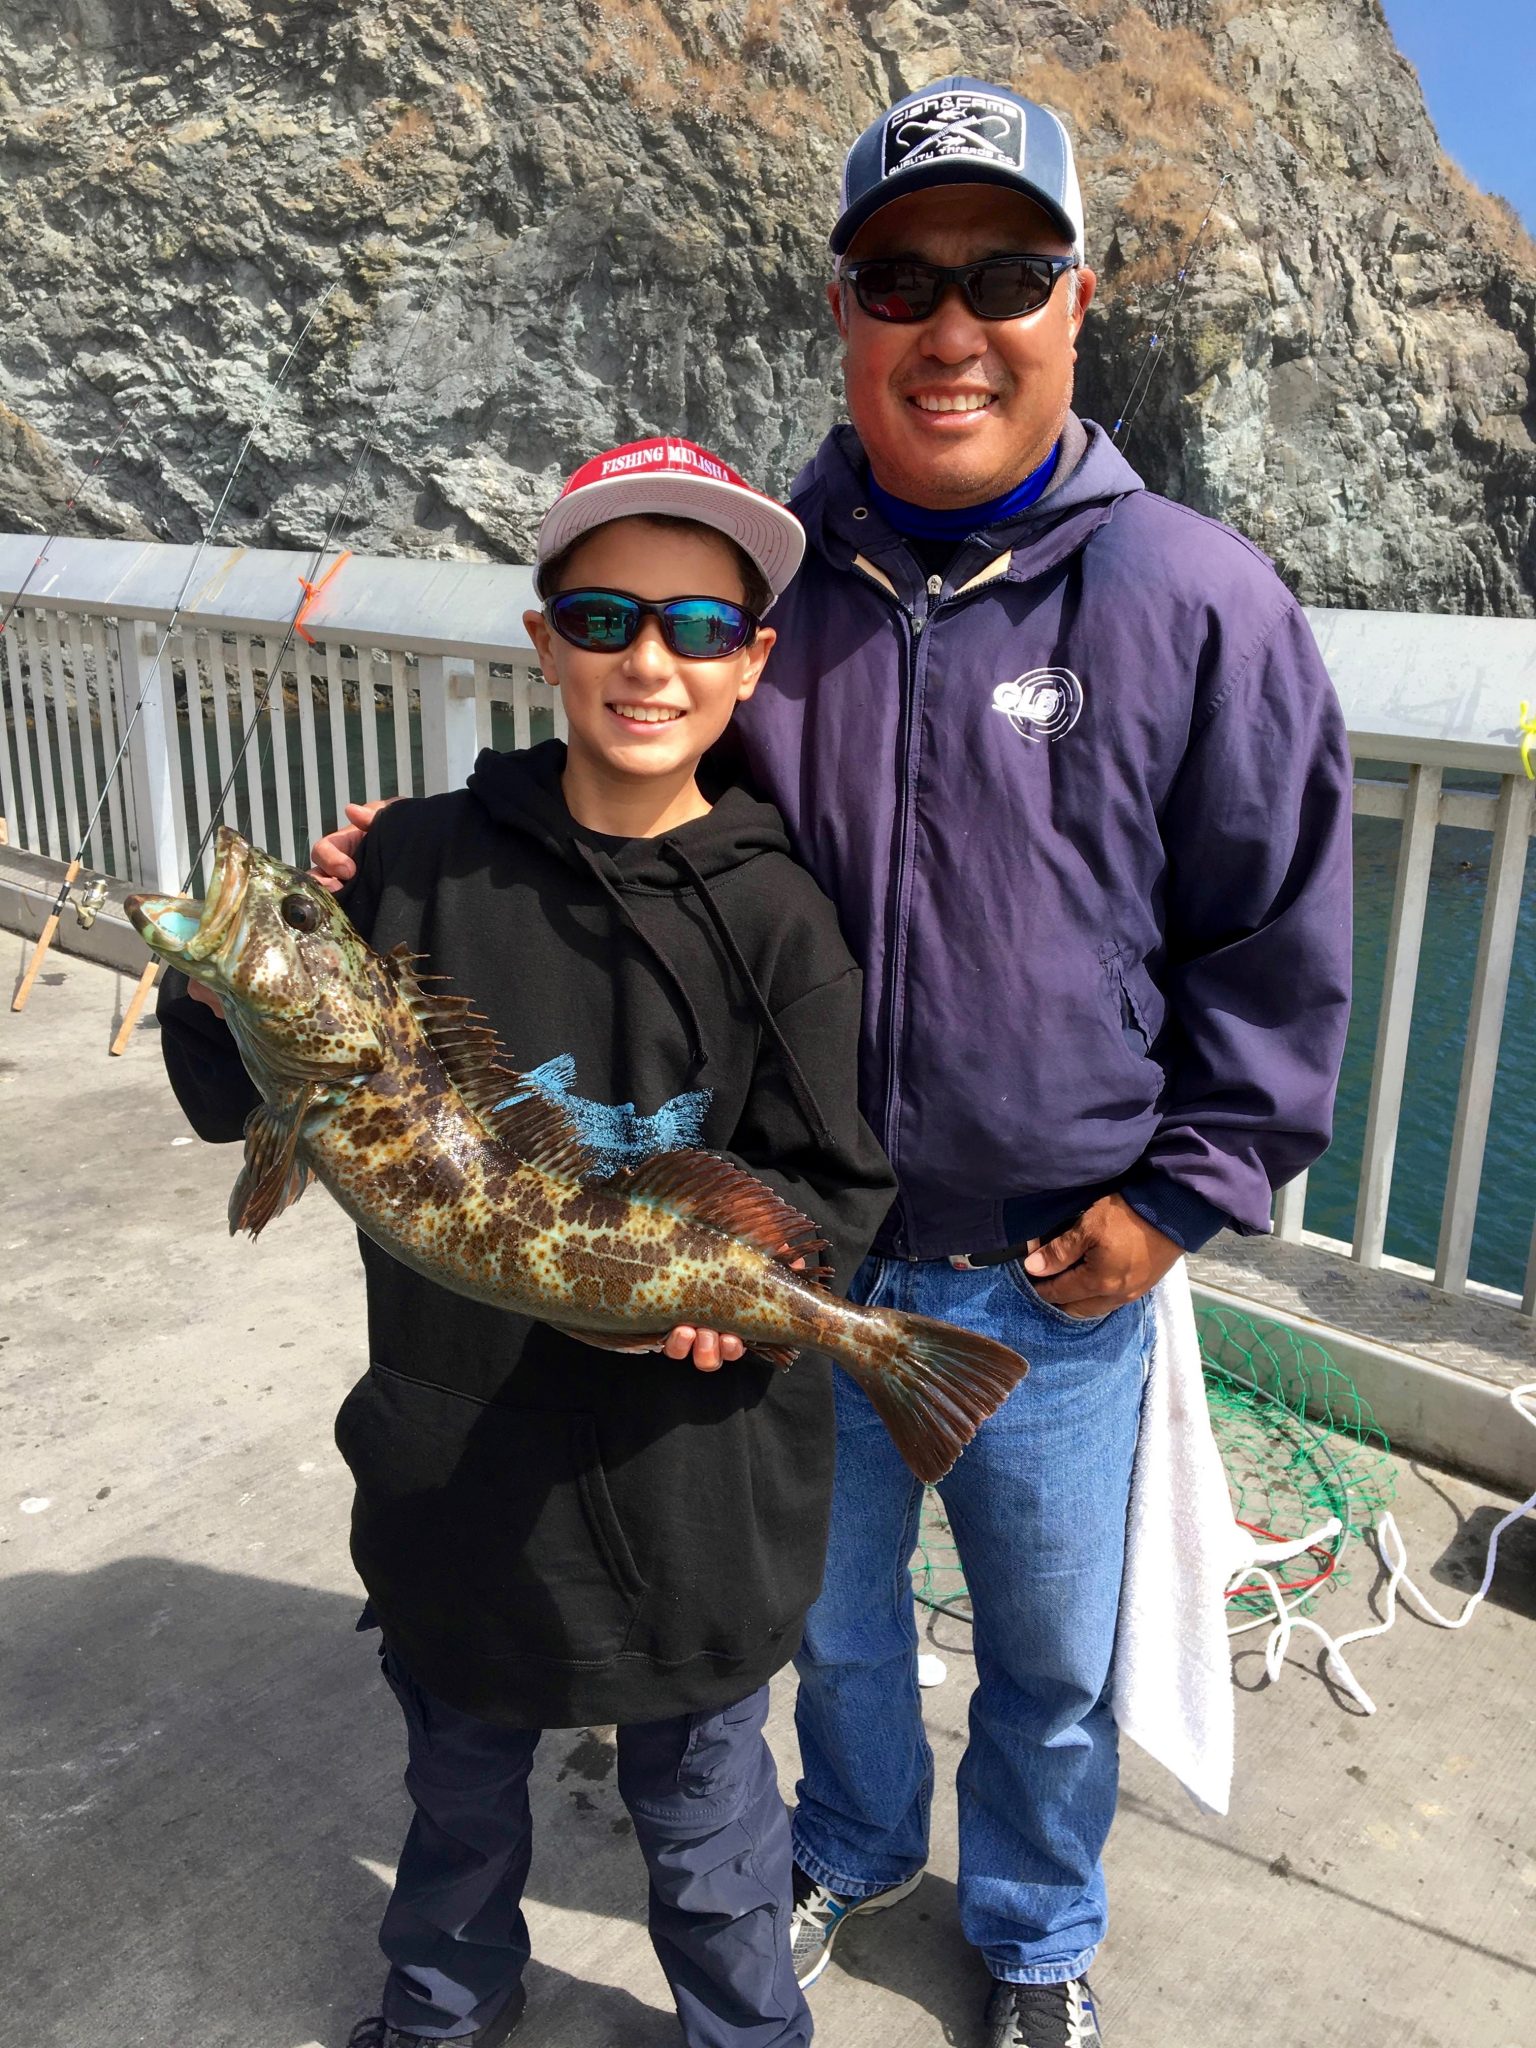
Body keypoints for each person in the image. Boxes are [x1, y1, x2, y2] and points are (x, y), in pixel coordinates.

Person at [315, 77, 1354, 2048]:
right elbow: (627, 782)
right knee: (833, 1628)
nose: (952, 323)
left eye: (1004, 272)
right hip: (785, 1261)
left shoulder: (1198, 602)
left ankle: (1039, 1928)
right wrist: (411, 866)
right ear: (843, 308)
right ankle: (856, 1843)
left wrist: (1179, 1199)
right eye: (902, 276)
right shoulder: (767, 598)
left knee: (1050, 1659)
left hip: (1060, 1275)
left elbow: (1281, 942)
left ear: (1077, 298)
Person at [155, 437, 901, 2048]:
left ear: (753, 659)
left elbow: (830, 1188)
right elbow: (242, 1109)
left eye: (703, 627)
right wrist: (216, 991)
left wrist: (759, 1311)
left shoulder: (784, 916)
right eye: (606, 614)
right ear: (541, 631)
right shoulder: (412, 861)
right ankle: (440, 2019)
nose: (651, 659)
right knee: (458, 1810)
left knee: (710, 1840)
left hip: (698, 1495)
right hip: (455, 1485)